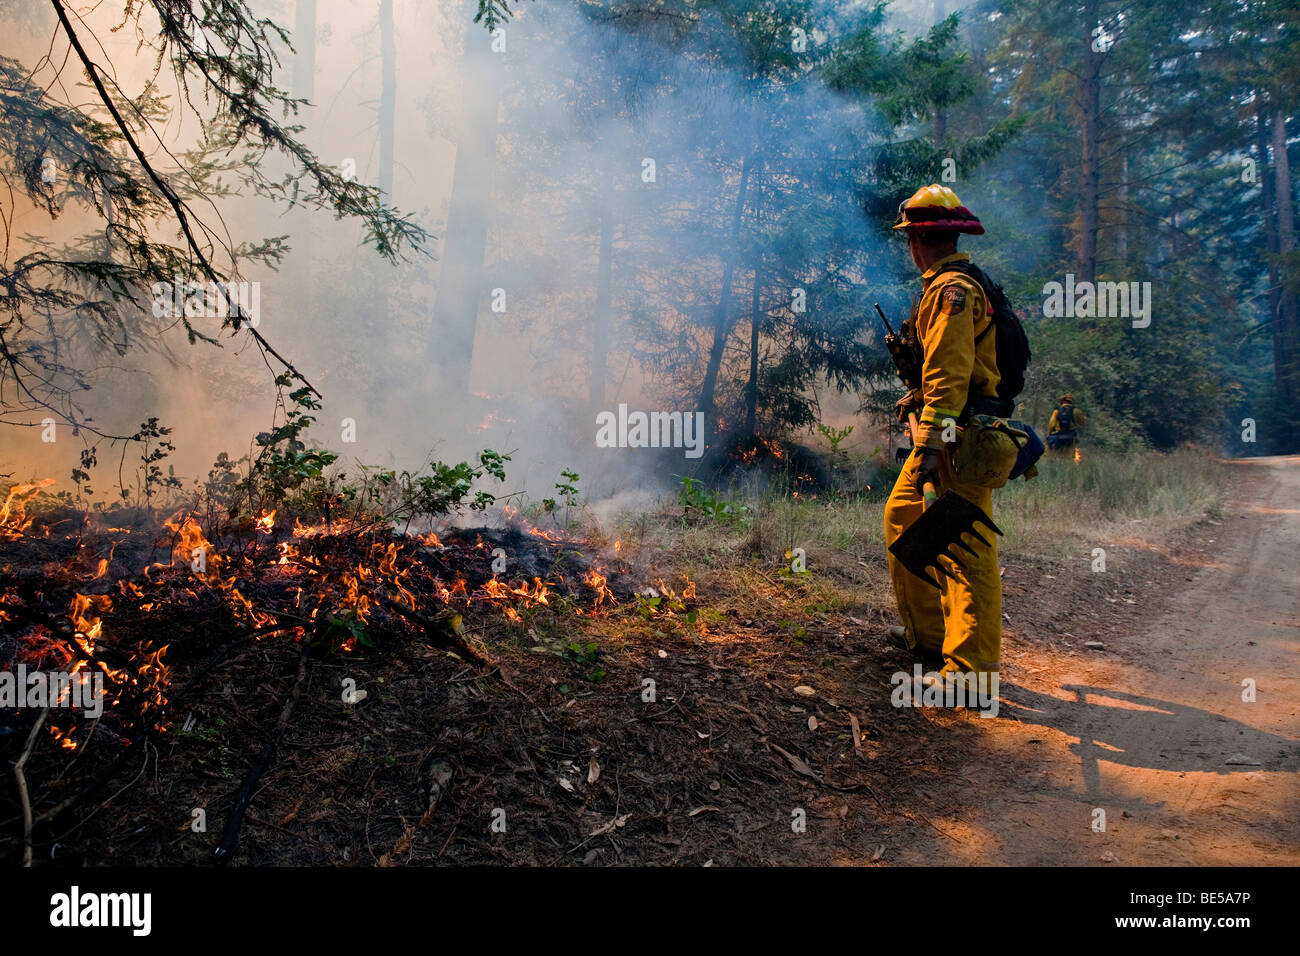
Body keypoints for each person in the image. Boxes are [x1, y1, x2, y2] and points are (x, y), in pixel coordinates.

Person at [883, 184, 1003, 687]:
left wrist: (931, 448)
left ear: (916, 240)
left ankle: (972, 675)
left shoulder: (952, 292)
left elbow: (951, 382)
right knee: (904, 519)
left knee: (962, 551)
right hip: (950, 428)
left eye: (909, 237)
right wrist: (917, 402)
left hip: (958, 438)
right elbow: (948, 373)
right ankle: (932, 639)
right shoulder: (950, 285)